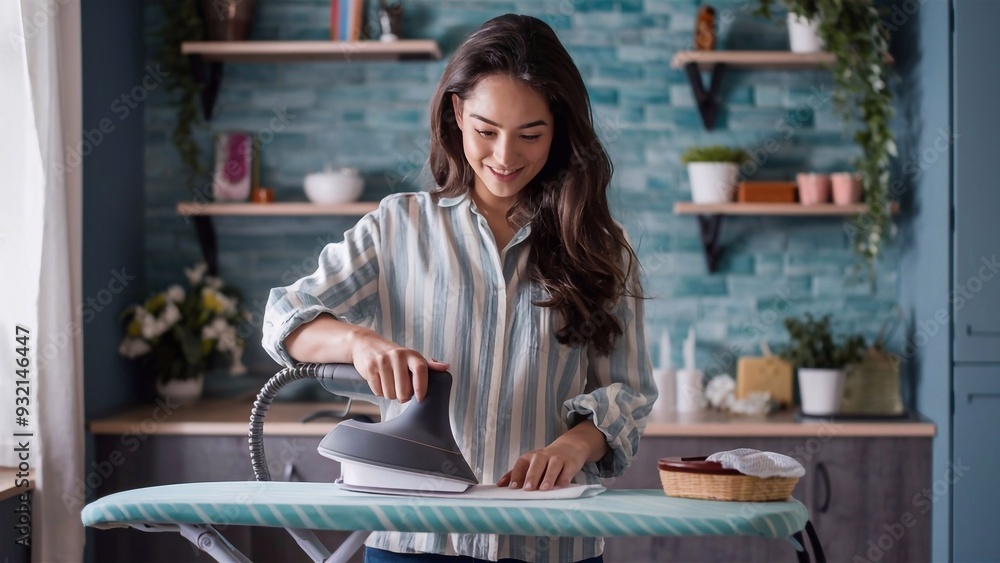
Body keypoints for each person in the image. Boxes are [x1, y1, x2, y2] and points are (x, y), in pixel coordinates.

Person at [262, 13, 657, 563]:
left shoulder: (600, 248)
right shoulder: (397, 228)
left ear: (559, 129)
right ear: (456, 113)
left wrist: (574, 444)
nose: (504, 156)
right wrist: (357, 343)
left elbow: (629, 395)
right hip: (412, 541)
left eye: (531, 135)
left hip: (547, 542)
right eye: (486, 130)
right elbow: (286, 315)